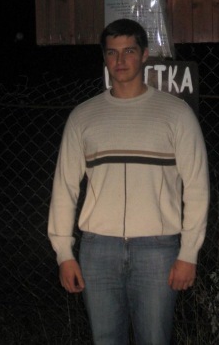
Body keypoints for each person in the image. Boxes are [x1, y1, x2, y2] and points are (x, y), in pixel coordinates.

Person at [47, 18, 210, 345]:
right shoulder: (83, 116)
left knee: (154, 338)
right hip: (98, 250)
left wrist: (189, 252)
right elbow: (64, 188)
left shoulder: (176, 114)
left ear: (145, 54)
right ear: (104, 58)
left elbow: (197, 187)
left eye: (129, 51)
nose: (120, 60)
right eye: (112, 52)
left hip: (158, 250)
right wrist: (64, 252)